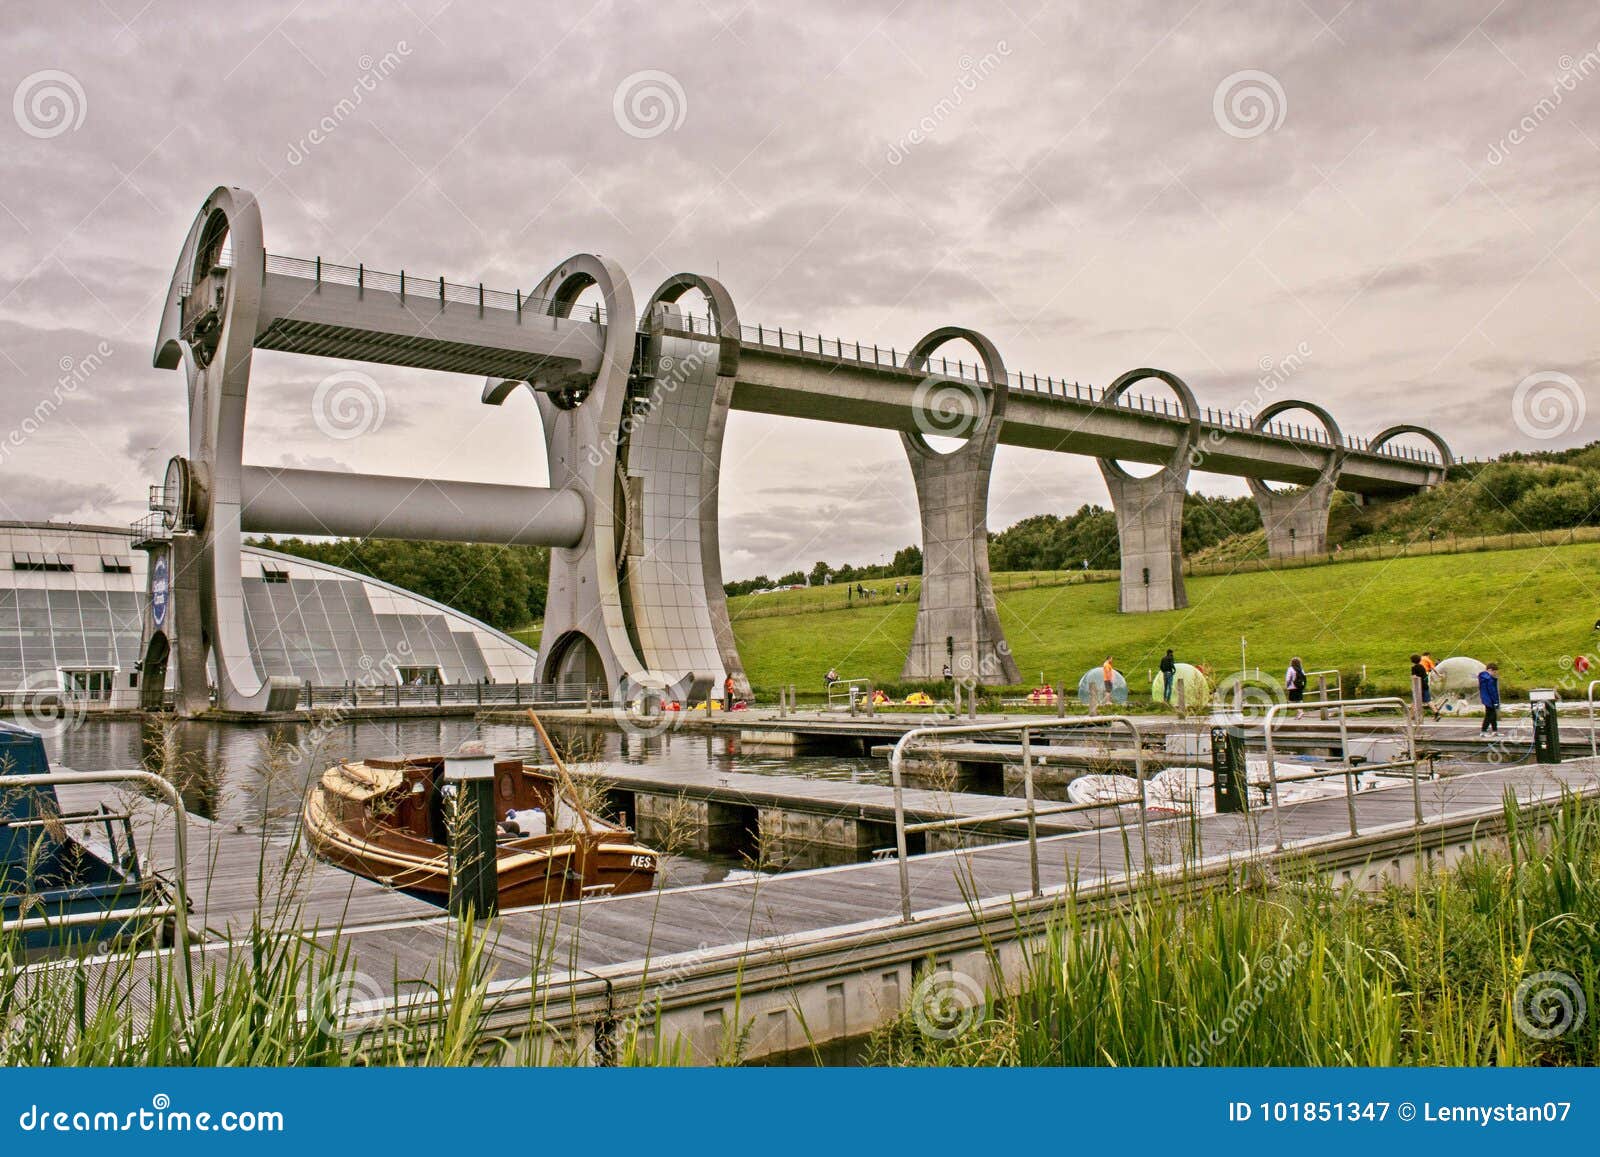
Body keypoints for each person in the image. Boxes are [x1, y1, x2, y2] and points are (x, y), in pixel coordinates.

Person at [1478, 662, 1500, 735]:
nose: (1495, 673)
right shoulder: (1489, 679)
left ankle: (1495, 731)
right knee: (1490, 715)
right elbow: (1492, 691)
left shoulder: (1484, 677)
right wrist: (1496, 701)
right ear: (1490, 670)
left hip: (1486, 698)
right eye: (1494, 672)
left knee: (1492, 715)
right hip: (1489, 699)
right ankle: (1483, 731)